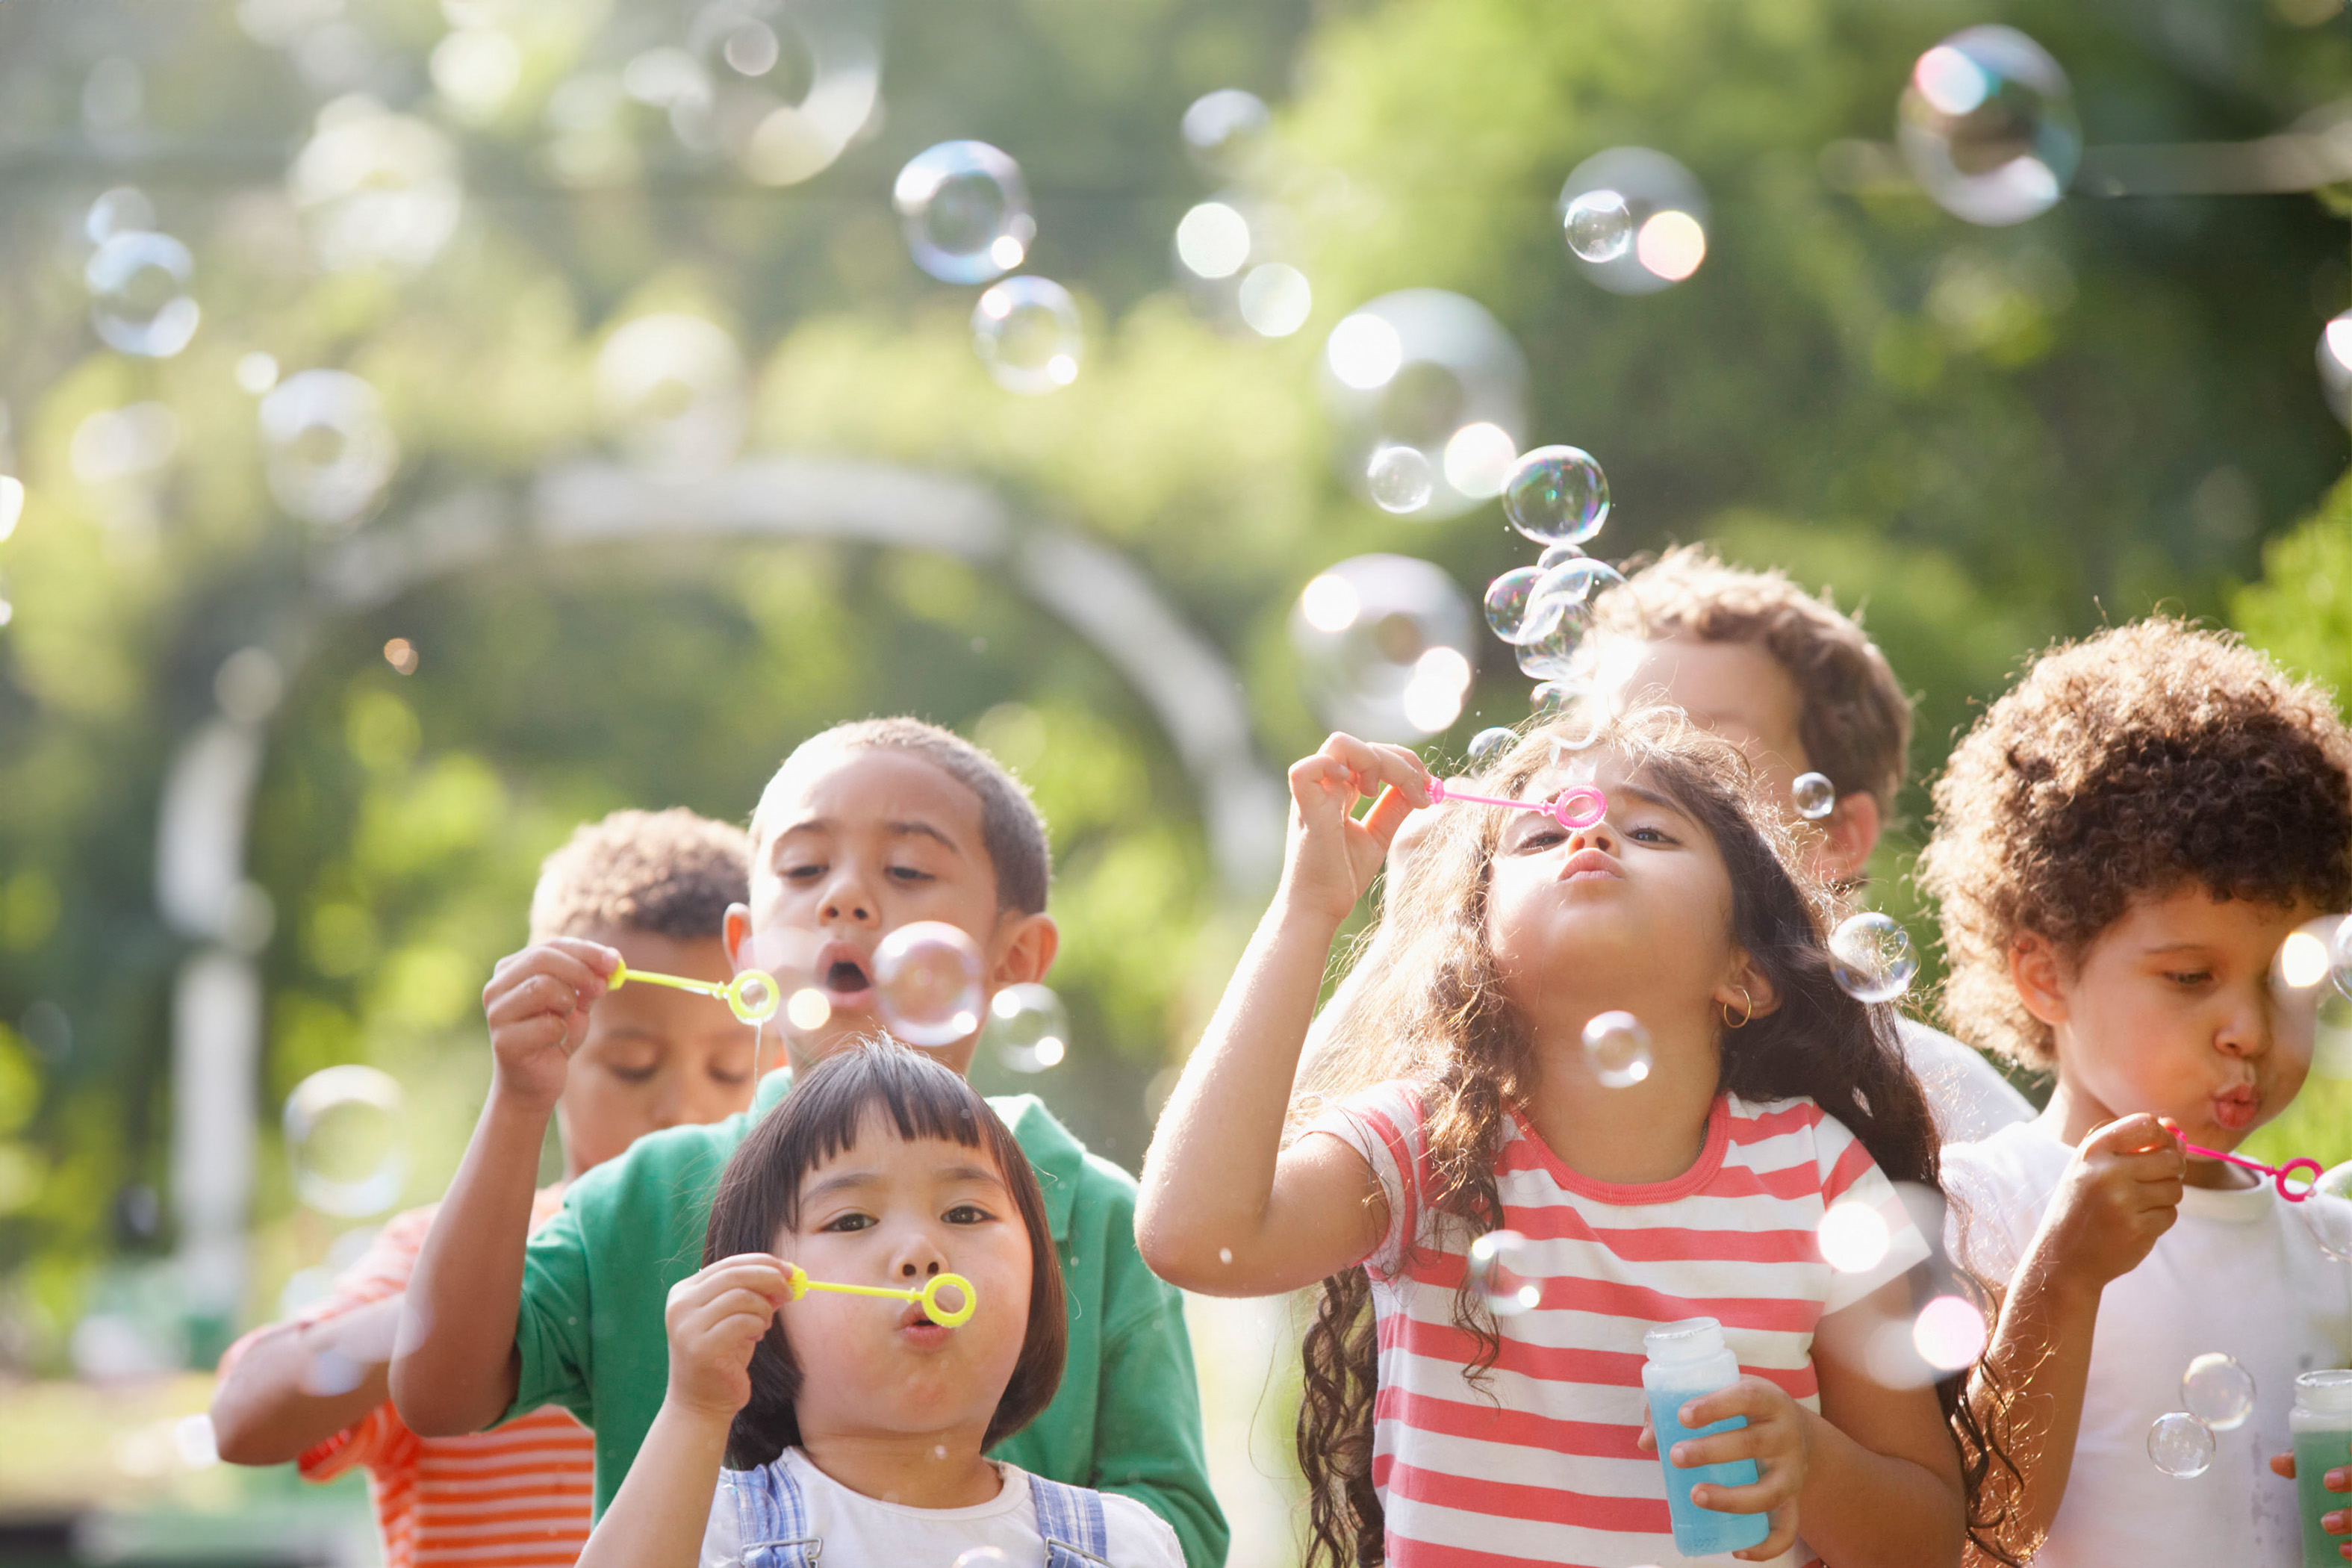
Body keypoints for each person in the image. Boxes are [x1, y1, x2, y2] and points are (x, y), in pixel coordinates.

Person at [1140, 705, 2004, 1567]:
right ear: (1473, 946)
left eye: (1652, 833)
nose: (1587, 838)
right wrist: (1310, 906)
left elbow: (1924, 1540)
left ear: (1745, 971)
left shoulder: (1813, 1172)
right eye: (1541, 835)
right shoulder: (1431, 1145)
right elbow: (1196, 1238)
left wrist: (1813, 1462)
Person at [390, 718, 1225, 1567]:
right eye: (802, 869)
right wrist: (519, 1104)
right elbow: (441, 1390)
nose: (845, 899)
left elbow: (1177, 1525)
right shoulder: (650, 1194)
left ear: (1015, 955)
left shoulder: (1100, 1215)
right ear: (744, 950)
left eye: (906, 869)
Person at [209, 808, 759, 1568]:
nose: (682, 1107)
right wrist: (482, 1304)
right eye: (633, 1065)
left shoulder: (787, 1272)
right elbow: (243, 1421)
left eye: (731, 1069)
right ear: (554, 1041)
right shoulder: (464, 1254)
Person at [1916, 618, 2352, 1566]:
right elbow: (1965, 1543)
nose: (2248, 1027)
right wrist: (2063, 1278)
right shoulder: (1982, 1208)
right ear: (2045, 974)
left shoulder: (2332, 1250)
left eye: (2286, 980)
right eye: (2191, 977)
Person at [579, 1040, 1184, 1568]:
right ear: (766, 1297)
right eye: (852, 1220)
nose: (920, 1252)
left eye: (965, 1213)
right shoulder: (705, 1535)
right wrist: (694, 1409)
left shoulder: (1125, 1548)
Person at [1567, 544, 2035, 1144]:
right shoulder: (1509, 1066)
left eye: (1703, 755)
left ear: (1836, 838)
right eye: (1605, 745)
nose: (1637, 782)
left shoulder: (1941, 1105)